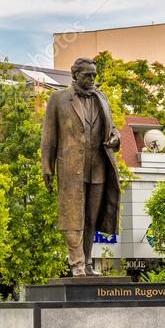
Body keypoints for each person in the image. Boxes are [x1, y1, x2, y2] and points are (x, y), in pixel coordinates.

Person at [41, 57, 121, 277]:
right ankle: (76, 264)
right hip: (70, 170)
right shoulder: (58, 99)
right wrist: (47, 166)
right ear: (75, 74)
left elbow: (112, 130)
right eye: (87, 75)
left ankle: (86, 263)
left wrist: (116, 138)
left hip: (98, 168)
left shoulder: (101, 99)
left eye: (94, 75)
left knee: (90, 219)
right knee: (73, 217)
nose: (92, 79)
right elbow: (49, 136)